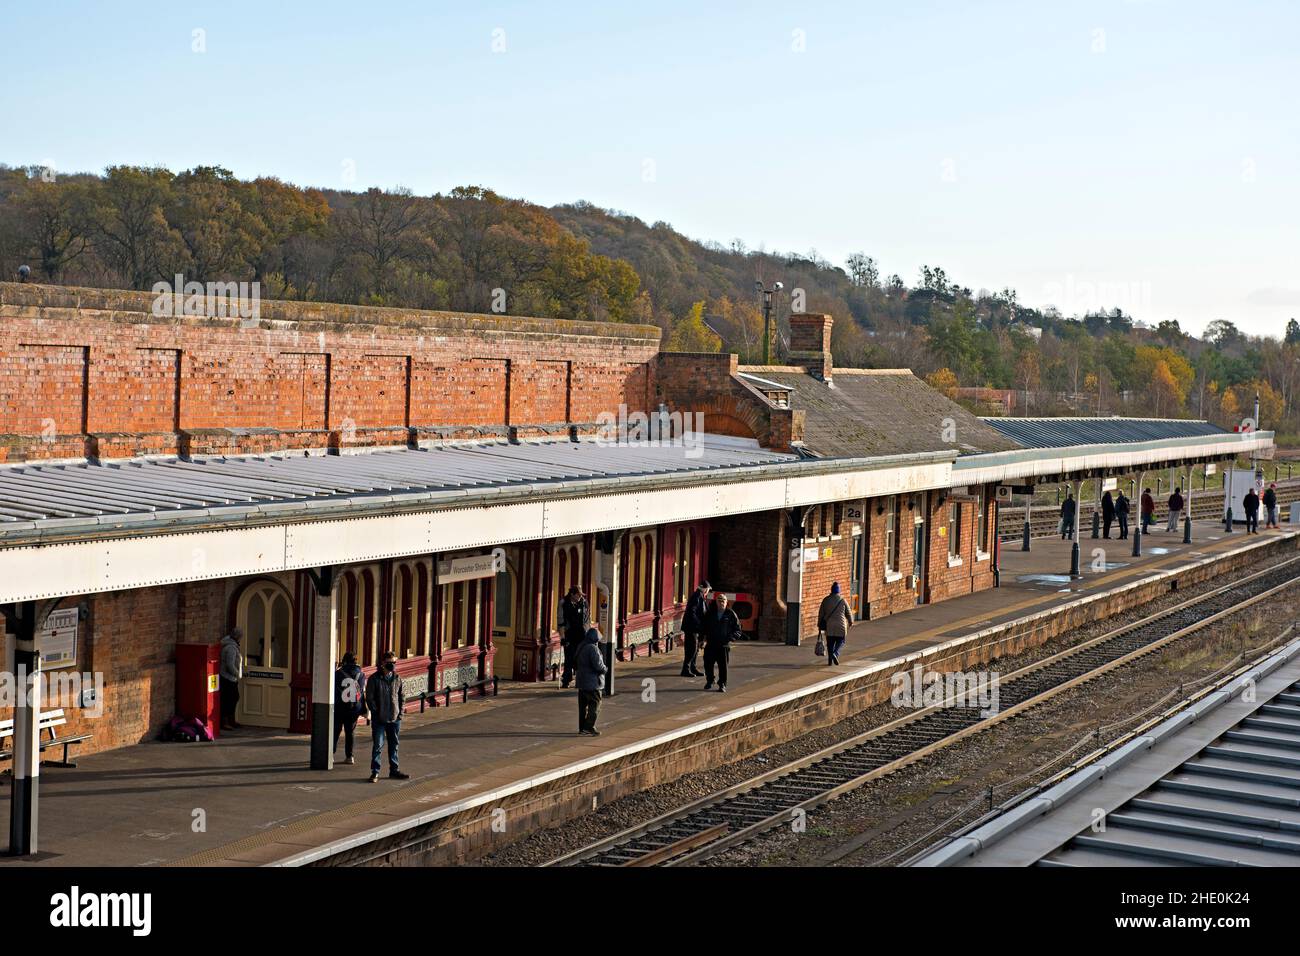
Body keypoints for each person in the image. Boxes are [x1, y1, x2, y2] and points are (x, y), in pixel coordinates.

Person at [365, 651, 410, 782]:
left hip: (394, 718)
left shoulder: (397, 678)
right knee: (378, 745)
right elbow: (369, 698)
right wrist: (376, 712)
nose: (393, 665)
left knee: (394, 745)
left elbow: (402, 697)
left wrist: (400, 713)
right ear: (383, 663)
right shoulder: (374, 679)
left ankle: (394, 770)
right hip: (379, 719)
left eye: (394, 663)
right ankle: (375, 772)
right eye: (390, 663)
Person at [702, 592, 742, 692]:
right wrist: (702, 640)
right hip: (711, 643)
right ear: (716, 602)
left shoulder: (730, 614)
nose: (721, 603)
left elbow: (738, 630)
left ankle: (722, 684)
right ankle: (710, 680)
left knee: (723, 666)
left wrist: (730, 638)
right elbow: (704, 627)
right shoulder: (710, 613)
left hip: (723, 645)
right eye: (719, 601)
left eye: (723, 601)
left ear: (726, 602)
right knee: (708, 664)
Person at [333, 651, 367, 765]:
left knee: (336, 731)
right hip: (354, 708)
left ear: (344, 661)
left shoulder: (338, 674)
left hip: (339, 706)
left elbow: (333, 688)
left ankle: (330, 754)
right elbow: (362, 691)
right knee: (350, 732)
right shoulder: (361, 675)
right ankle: (349, 756)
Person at [575, 627, 607, 736]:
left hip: (581, 681)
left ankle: (582, 728)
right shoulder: (593, 649)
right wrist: (605, 669)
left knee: (582, 707)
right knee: (595, 705)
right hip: (593, 683)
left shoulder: (581, 646)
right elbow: (598, 666)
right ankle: (588, 727)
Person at [557, 586, 590, 689]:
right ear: (572, 594)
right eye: (578, 595)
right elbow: (560, 621)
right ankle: (566, 680)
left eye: (581, 595)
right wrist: (562, 637)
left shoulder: (584, 603)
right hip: (569, 634)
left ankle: (580, 680)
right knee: (569, 658)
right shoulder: (563, 603)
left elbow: (587, 619)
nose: (580, 597)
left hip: (581, 634)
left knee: (581, 658)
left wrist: (588, 633)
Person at [680, 581, 710, 678]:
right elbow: (691, 612)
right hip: (691, 627)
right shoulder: (697, 597)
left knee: (696, 648)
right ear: (705, 589)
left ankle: (693, 668)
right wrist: (698, 623)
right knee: (691, 648)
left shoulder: (700, 596)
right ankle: (685, 669)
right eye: (708, 590)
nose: (708, 592)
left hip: (695, 628)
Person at [817, 582, 852, 666]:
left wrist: (819, 624)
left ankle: (830, 661)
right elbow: (849, 613)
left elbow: (821, 613)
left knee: (830, 643)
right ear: (839, 591)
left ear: (831, 590)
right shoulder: (843, 601)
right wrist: (850, 622)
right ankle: (835, 653)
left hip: (829, 626)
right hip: (841, 626)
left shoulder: (826, 600)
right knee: (841, 641)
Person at [219, 627, 243, 730]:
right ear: (237, 636)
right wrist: (237, 674)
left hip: (230, 678)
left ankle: (231, 720)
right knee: (230, 699)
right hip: (228, 678)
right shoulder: (231, 648)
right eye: (240, 636)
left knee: (233, 698)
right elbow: (230, 664)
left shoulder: (232, 646)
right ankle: (225, 721)